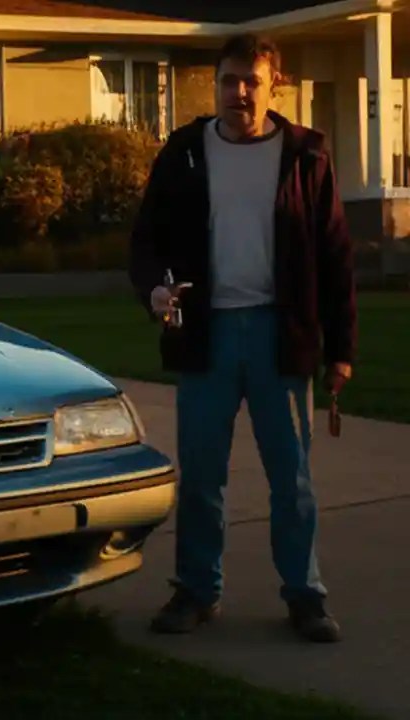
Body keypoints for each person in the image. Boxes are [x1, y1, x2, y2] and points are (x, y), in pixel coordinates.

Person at [129, 33, 357, 643]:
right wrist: (154, 290)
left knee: (293, 478)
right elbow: (146, 242)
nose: (240, 92)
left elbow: (335, 257)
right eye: (230, 80)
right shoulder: (184, 153)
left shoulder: (306, 156)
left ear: (273, 85)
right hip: (207, 336)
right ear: (216, 84)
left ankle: (305, 595)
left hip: (280, 337)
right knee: (203, 475)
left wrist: (341, 351)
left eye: (252, 81)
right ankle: (197, 591)